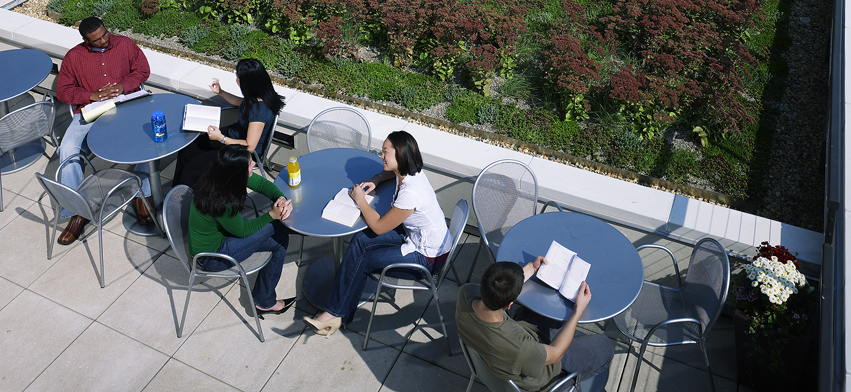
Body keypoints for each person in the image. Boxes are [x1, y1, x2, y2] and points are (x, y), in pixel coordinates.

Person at [304, 130, 451, 335]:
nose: (381, 156)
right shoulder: (410, 171)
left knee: (363, 260)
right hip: (416, 236)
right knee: (360, 240)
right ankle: (339, 314)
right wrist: (377, 178)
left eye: (385, 152)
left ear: (400, 155)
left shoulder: (411, 193)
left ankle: (334, 314)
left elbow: (379, 227)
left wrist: (360, 200)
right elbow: (391, 173)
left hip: (427, 258)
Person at [55, 16, 153, 244]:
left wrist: (122, 86)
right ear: (86, 41)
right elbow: (64, 92)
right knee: (67, 149)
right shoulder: (73, 57)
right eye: (97, 40)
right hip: (91, 110)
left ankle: (142, 194)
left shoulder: (125, 44)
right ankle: (77, 211)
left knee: (149, 139)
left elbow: (142, 71)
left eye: (105, 35)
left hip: (126, 103)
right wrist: (92, 95)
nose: (104, 41)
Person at [455, 260, 614, 392]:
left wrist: (531, 267)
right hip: (543, 375)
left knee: (541, 309)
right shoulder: (520, 348)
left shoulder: (465, 295)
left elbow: (497, 290)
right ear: (510, 304)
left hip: (505, 356)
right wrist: (577, 311)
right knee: (605, 346)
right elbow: (556, 354)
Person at [189, 143, 295, 314]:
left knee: (280, 239)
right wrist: (272, 215)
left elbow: (261, 184)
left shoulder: (222, 175)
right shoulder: (222, 200)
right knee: (275, 226)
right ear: (238, 171)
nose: (254, 163)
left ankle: (264, 301)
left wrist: (280, 197)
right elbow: (242, 231)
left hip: (223, 237)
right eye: (250, 163)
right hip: (212, 256)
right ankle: (305, 229)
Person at [173, 58, 283, 188]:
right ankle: (175, 193)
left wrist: (221, 138)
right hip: (233, 136)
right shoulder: (258, 95)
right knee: (187, 150)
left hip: (241, 151)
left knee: (191, 172)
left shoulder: (260, 111)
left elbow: (249, 146)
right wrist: (221, 92)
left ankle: (187, 202)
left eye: (238, 76)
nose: (236, 77)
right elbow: (240, 103)